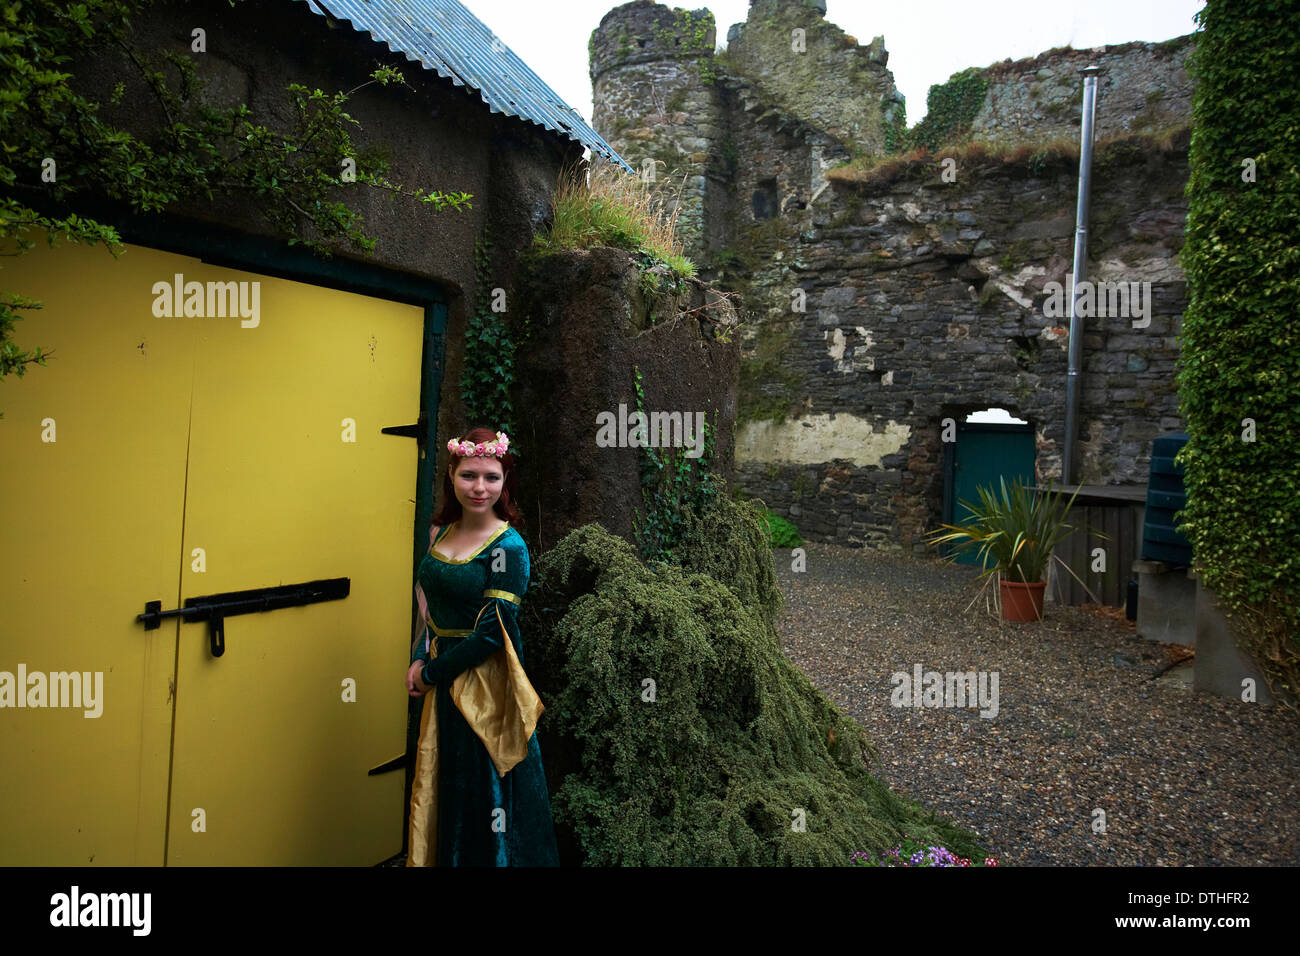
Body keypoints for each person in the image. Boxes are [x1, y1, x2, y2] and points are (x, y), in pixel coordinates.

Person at [404, 425, 560, 866]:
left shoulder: (508, 548)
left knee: (483, 789)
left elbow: (493, 633)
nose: (480, 487)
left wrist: (430, 674)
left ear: (504, 481)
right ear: (451, 474)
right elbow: (428, 606)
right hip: (442, 680)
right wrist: (419, 656)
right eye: (469, 475)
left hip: (487, 688)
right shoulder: (440, 532)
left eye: (492, 477)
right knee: (443, 784)